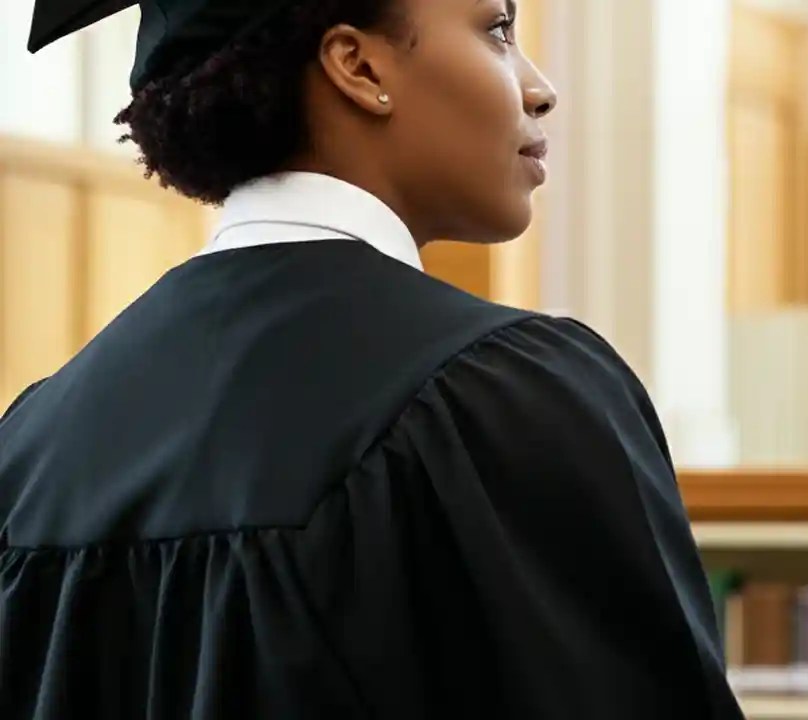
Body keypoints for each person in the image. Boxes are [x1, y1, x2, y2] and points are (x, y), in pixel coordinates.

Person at [1, 1, 744, 717]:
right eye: (496, 28)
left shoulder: (33, 445)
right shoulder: (504, 397)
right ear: (356, 65)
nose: (539, 88)